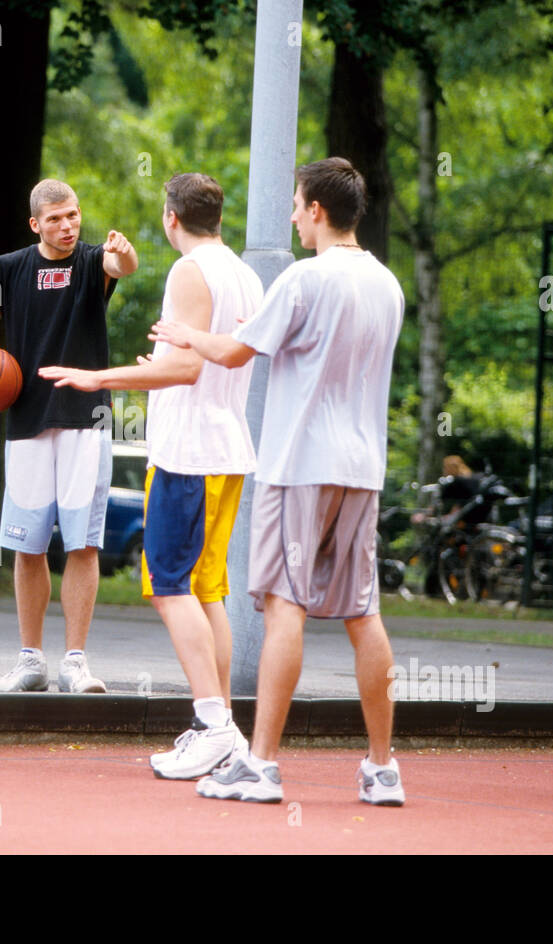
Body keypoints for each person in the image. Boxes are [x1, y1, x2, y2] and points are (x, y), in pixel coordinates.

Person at [150, 157, 405, 804]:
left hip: (299, 466)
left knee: (285, 606)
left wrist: (187, 333)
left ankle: (260, 764)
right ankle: (382, 768)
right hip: (362, 468)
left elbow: (236, 351)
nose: (292, 216)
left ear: (317, 210)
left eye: (296, 205)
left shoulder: (304, 278)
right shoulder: (388, 284)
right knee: (363, 613)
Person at [40, 173, 260, 776]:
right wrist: (157, 365)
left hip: (189, 453)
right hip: (226, 450)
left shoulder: (190, 272)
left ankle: (213, 723)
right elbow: (200, 362)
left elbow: (184, 370)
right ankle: (223, 728)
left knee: (168, 586)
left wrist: (99, 377)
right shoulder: (243, 272)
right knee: (206, 589)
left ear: (171, 218)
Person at [0, 180, 137, 694]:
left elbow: (124, 268)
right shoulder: (7, 269)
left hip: (84, 420)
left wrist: (124, 254)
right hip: (27, 421)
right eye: (54, 219)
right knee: (27, 547)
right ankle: (31, 661)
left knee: (83, 544)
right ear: (35, 224)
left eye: (72, 216)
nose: (67, 226)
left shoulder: (95, 262)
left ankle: (75, 662)